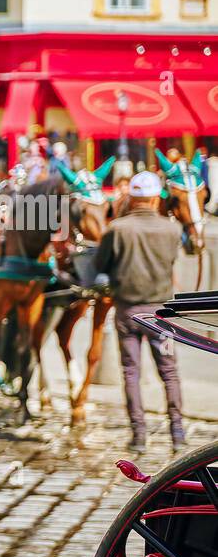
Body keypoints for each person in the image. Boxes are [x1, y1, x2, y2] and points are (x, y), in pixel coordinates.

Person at [94, 170, 185, 450]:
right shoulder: (173, 229)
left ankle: (139, 435)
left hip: (128, 311)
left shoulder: (117, 228)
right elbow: (171, 262)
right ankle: (178, 432)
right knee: (169, 372)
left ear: (132, 198)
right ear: (156, 199)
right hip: (161, 314)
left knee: (131, 372)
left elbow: (100, 265)